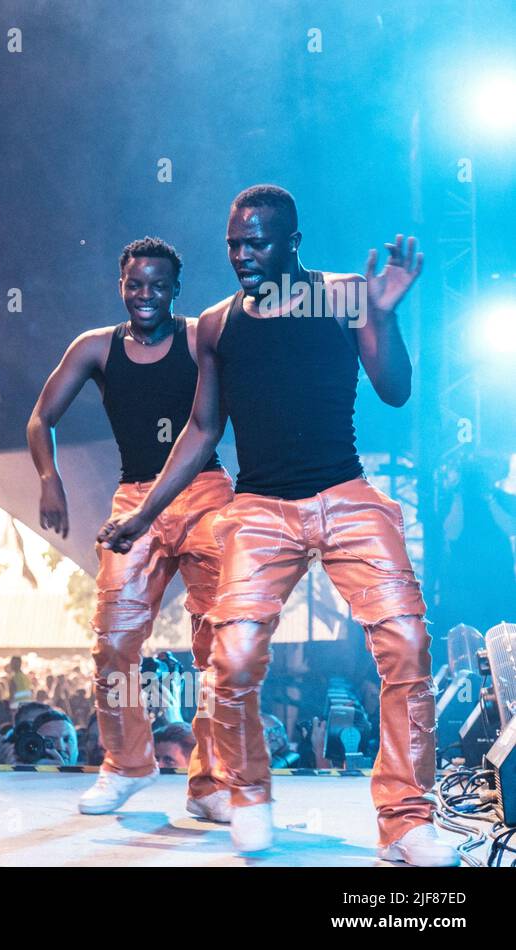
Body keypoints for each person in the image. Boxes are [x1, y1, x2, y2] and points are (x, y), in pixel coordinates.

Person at [99, 185, 457, 865]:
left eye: (256, 242)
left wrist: (382, 315)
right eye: (234, 244)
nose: (242, 255)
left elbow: (395, 388)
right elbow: (202, 430)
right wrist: (144, 514)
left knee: (408, 642)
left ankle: (406, 821)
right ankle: (249, 793)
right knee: (230, 661)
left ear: (293, 242)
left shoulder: (343, 294)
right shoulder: (215, 324)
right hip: (259, 509)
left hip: (344, 494)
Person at [28, 236, 234, 823]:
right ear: (121, 285)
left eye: (159, 285)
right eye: (135, 284)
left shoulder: (200, 337)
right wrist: (50, 478)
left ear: (176, 289)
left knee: (221, 646)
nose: (146, 294)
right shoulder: (95, 347)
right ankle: (125, 765)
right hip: (135, 496)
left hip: (205, 491)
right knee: (113, 640)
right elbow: (41, 417)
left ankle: (212, 783)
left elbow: (219, 422)